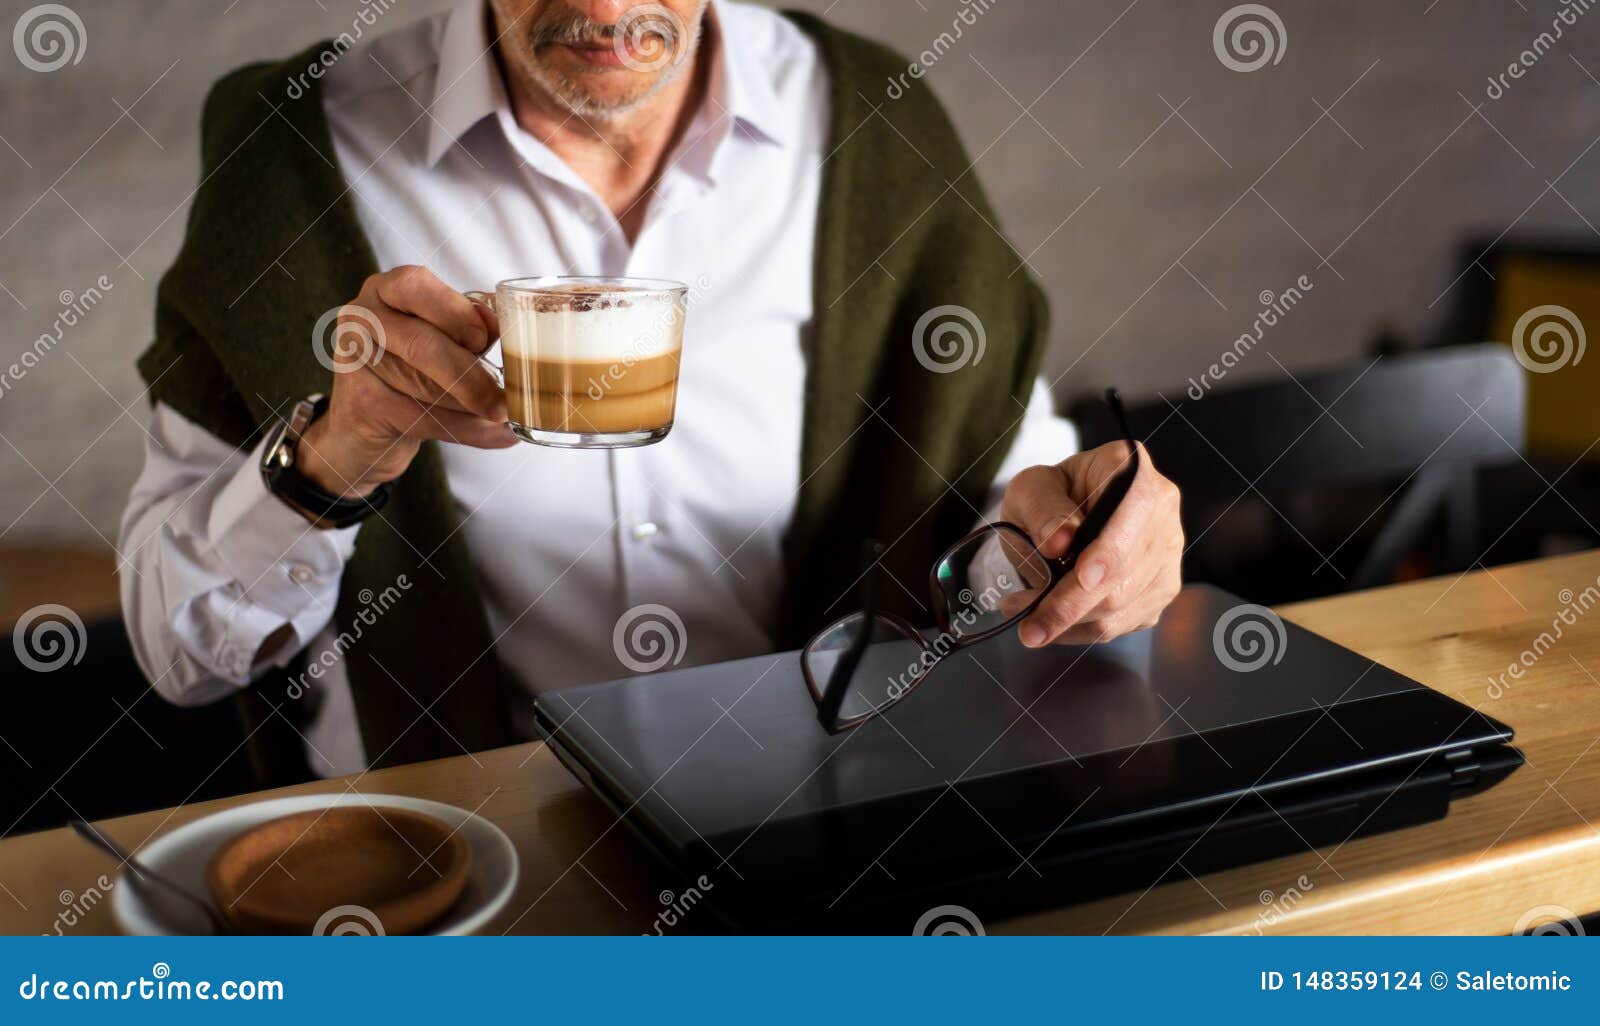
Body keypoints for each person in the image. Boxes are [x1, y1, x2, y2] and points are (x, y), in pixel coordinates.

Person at [119, 0, 1183, 777]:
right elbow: (179, 655)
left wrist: (1083, 539)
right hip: (457, 869)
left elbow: (1003, 493)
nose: (606, 8)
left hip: (821, 825)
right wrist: (331, 464)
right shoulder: (298, 146)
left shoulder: (872, 118)